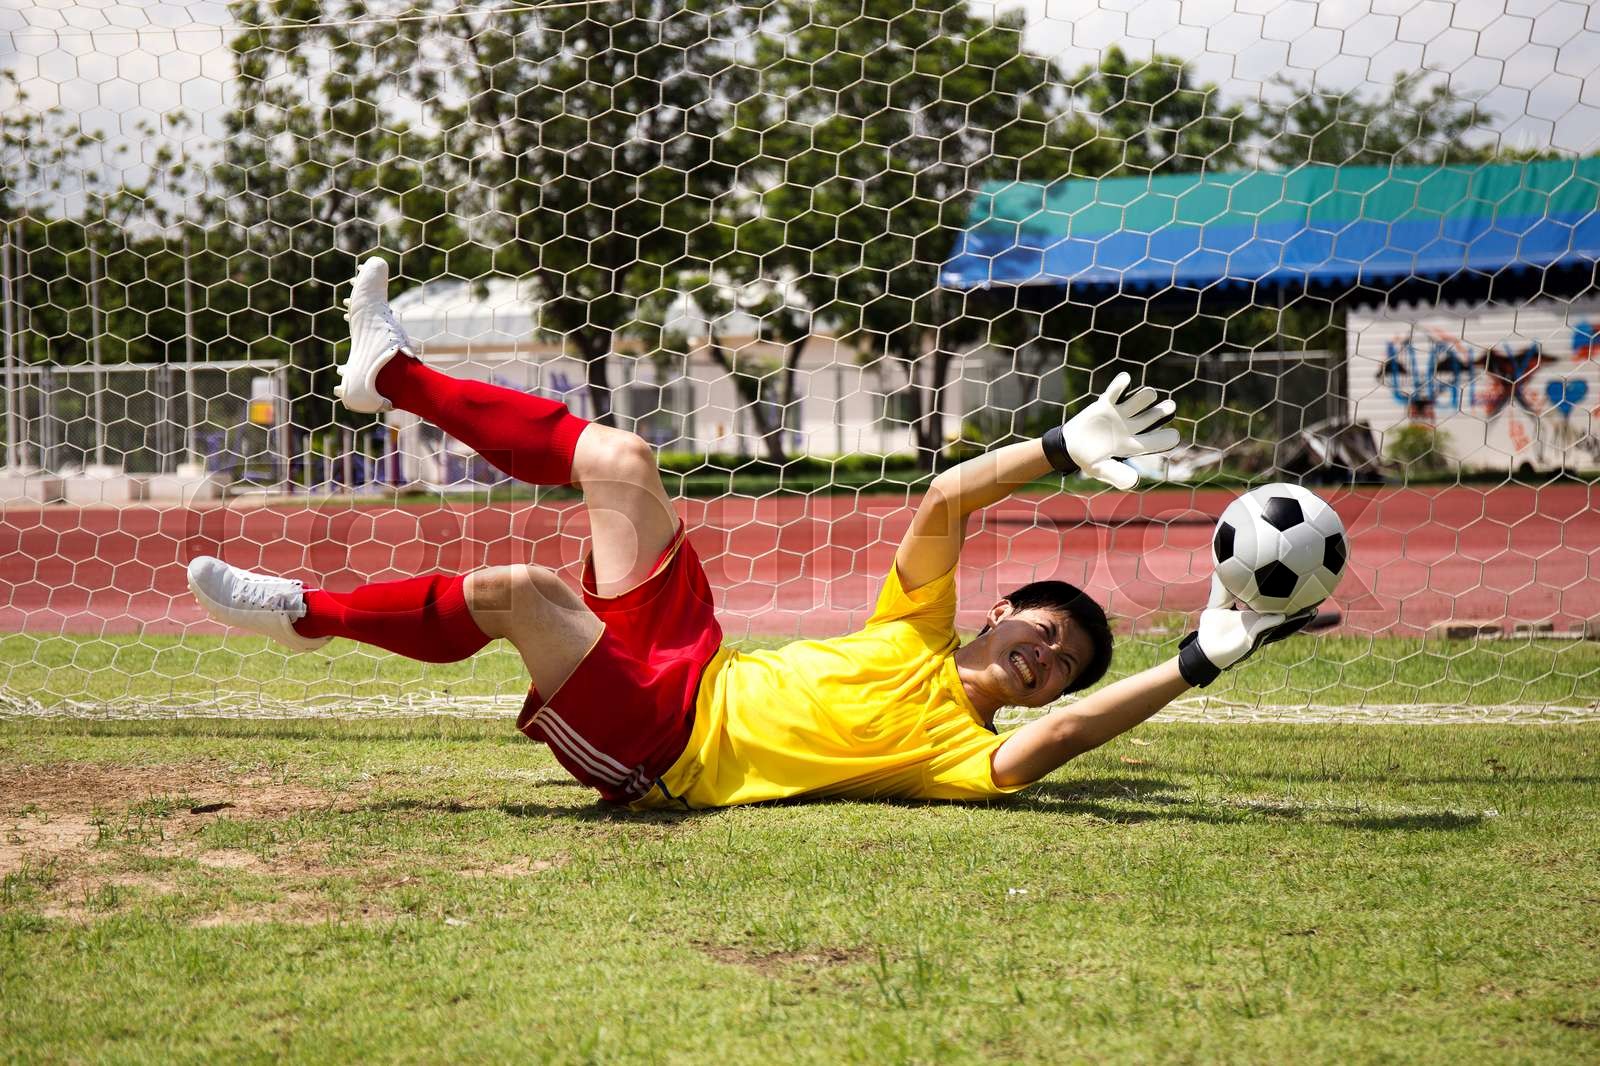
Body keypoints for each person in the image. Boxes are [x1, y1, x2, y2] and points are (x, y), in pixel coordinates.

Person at [188, 258, 1313, 810]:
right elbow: (942, 503)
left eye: (1058, 666)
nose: (1045, 653)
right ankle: (393, 375)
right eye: (1043, 628)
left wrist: (1194, 663)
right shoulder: (914, 632)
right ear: (999, 615)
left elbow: (1057, 748)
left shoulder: (958, 752)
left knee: (520, 589)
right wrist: (1060, 447)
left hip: (663, 748)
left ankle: (306, 615)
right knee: (625, 460)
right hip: (692, 657)